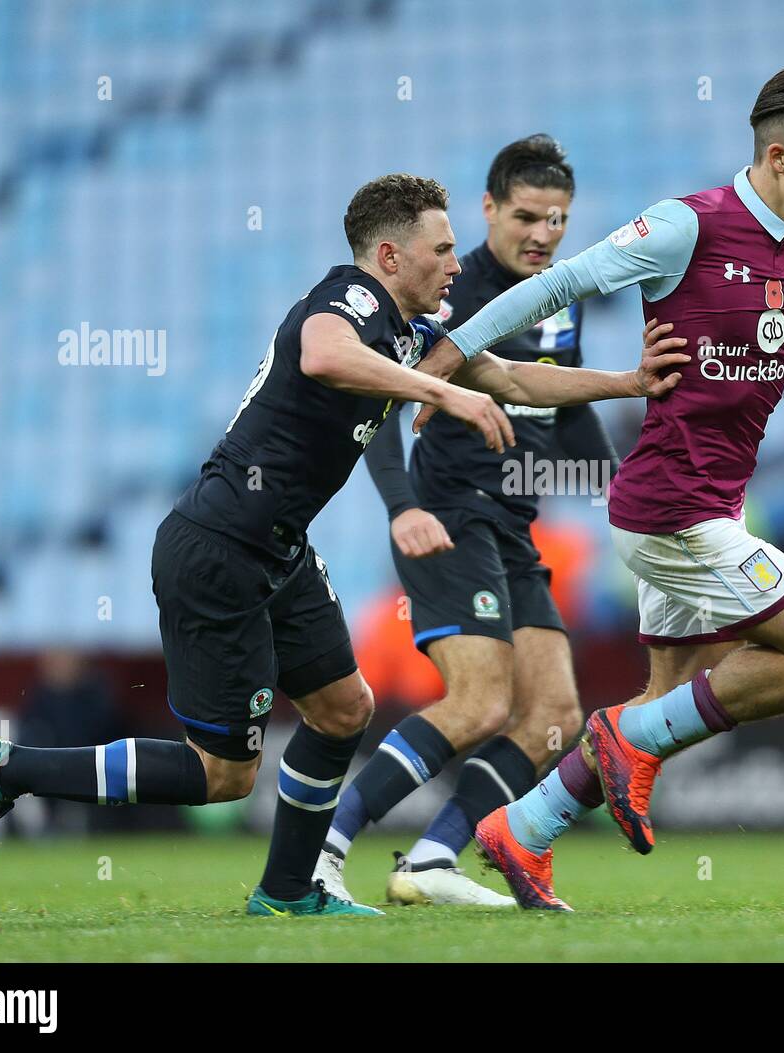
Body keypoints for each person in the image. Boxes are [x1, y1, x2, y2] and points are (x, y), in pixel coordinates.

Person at [0, 173, 683, 917]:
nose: (458, 265)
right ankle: (10, 771)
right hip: (219, 547)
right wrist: (442, 392)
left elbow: (513, 376)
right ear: (391, 257)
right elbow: (323, 356)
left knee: (343, 707)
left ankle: (288, 890)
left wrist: (628, 381)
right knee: (224, 775)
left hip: (280, 548)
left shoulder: (412, 330)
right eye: (444, 249)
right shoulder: (350, 299)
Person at [413, 63, 784, 910]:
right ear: (779, 156)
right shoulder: (686, 227)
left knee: (669, 702)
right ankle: (623, 737)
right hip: (669, 513)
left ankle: (523, 829)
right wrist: (451, 356)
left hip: (711, 505)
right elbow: (561, 282)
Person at [314, 136, 621, 908]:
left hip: (514, 529)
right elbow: (379, 398)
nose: (543, 234)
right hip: (449, 515)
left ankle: (429, 859)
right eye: (526, 216)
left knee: (553, 714)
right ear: (488, 209)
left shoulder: (561, 293)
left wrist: (629, 494)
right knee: (481, 701)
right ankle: (324, 842)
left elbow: (564, 406)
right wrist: (403, 505)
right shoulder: (449, 295)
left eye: (557, 220)